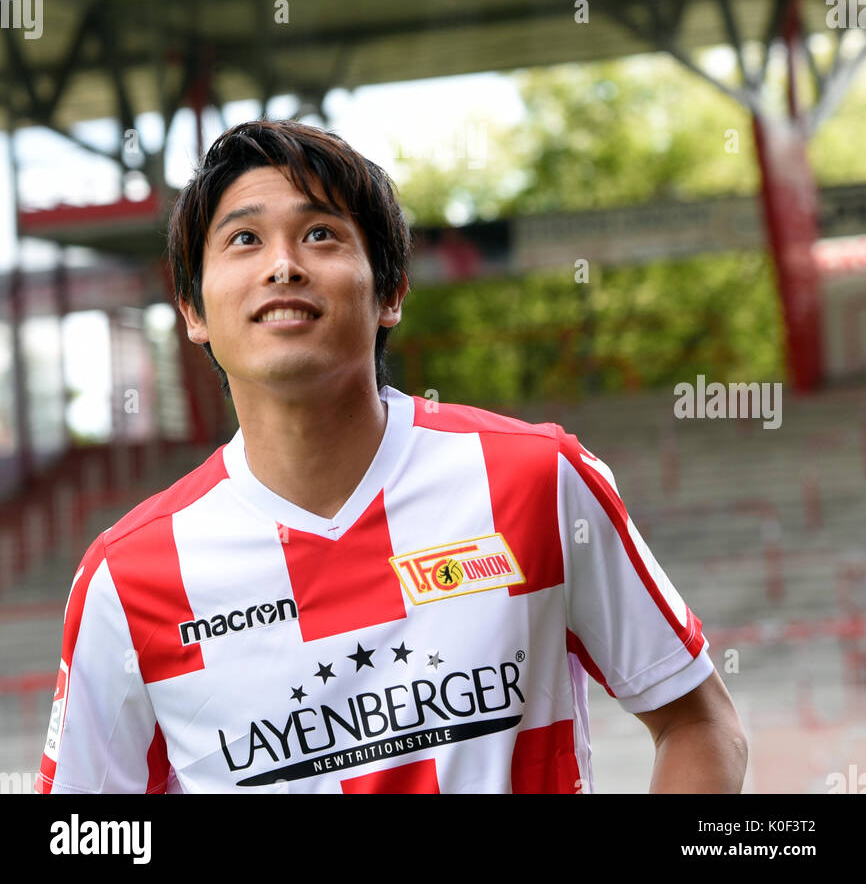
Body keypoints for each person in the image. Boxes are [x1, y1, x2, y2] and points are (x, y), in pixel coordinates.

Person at [36, 119, 747, 795]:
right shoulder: (127, 581)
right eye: (244, 239)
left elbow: (696, 720)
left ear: (391, 291)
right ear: (192, 310)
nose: (283, 265)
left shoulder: (535, 479)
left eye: (320, 234)